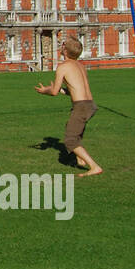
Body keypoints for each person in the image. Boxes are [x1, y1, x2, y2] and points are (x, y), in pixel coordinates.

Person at [35, 36, 103, 176]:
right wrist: (59, 89)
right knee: (73, 130)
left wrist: (45, 91)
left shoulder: (63, 67)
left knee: (70, 140)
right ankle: (80, 159)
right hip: (90, 105)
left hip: (81, 106)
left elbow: (53, 93)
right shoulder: (80, 66)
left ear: (65, 51)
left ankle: (94, 166)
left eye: (63, 45)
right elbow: (73, 90)